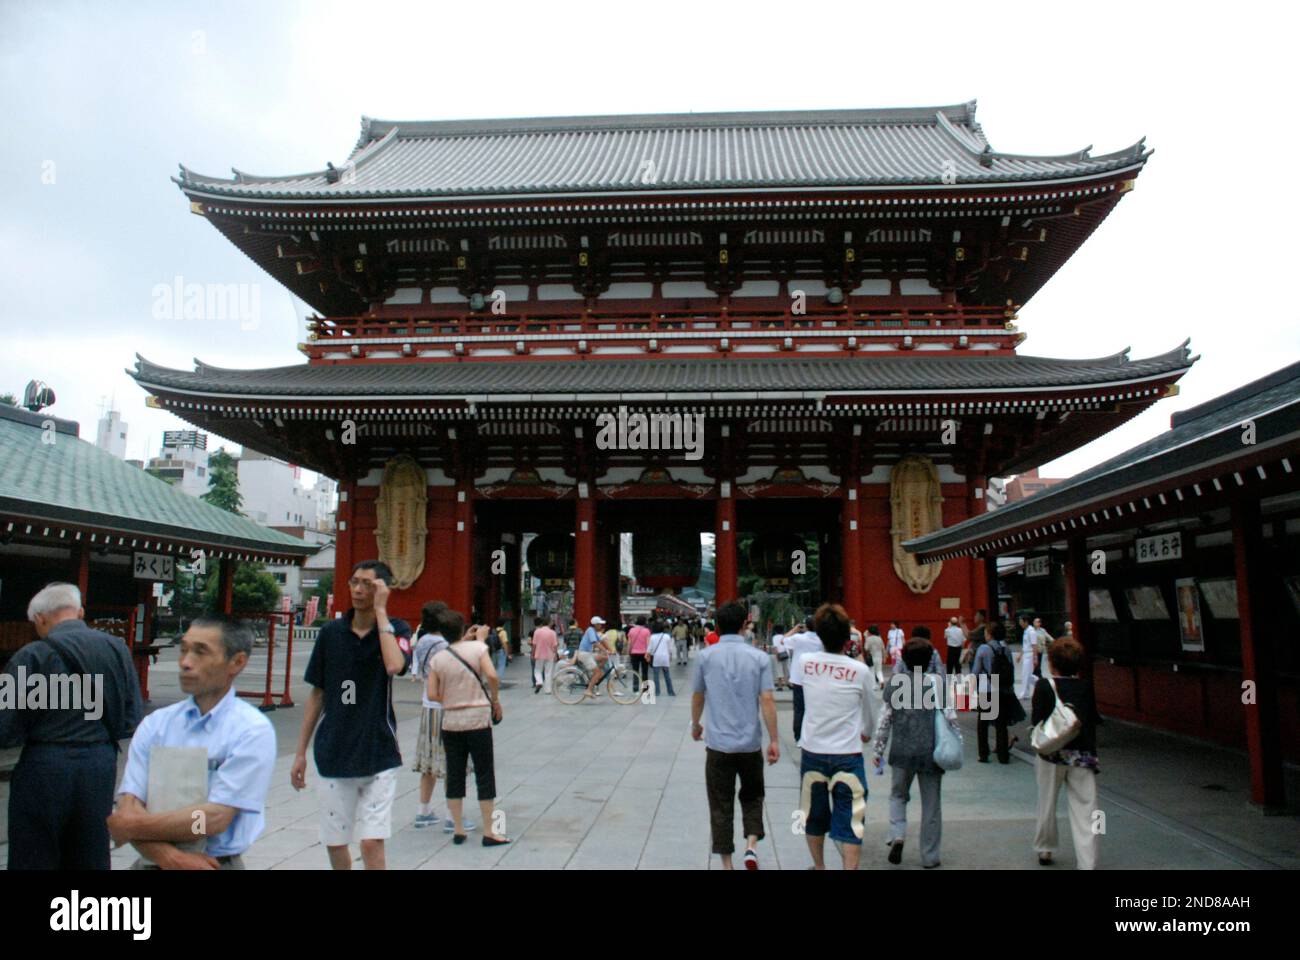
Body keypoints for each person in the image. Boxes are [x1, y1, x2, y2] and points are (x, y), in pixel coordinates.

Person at [109, 616, 275, 870]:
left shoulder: (251, 730)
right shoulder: (157, 725)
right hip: (151, 861)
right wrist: (170, 857)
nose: (186, 663)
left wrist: (130, 827)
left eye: (200, 652)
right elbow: (129, 802)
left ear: (237, 662)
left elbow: (213, 820)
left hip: (212, 863)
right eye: (183, 650)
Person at [2, 583, 142, 870]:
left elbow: (5, 726)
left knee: (35, 851)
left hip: (45, 765)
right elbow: (131, 717)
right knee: (90, 850)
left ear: (41, 618)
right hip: (100, 764)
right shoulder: (117, 649)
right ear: (80, 612)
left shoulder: (31, 656)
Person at [291, 560, 412, 870]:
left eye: (368, 585)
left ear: (383, 590)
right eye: (354, 582)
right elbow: (317, 694)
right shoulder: (331, 633)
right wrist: (300, 752)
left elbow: (394, 666)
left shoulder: (396, 629)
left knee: (371, 840)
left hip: (378, 750)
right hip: (333, 749)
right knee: (335, 842)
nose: (358, 590)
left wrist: (381, 612)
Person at [691, 600, 779, 870]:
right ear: (745, 624)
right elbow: (767, 700)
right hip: (750, 744)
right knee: (753, 795)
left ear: (717, 626)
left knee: (720, 804)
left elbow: (698, 695)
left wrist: (696, 724)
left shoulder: (705, 657)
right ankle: (751, 846)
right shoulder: (760, 658)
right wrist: (774, 739)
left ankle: (727, 864)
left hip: (718, 745)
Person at [798, 604, 875, 870]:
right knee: (853, 818)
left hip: (813, 751)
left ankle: (819, 866)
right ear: (847, 638)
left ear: (819, 635)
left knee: (812, 816)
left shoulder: (806, 663)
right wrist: (866, 732)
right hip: (848, 754)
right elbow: (869, 711)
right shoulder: (860, 671)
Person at [873, 637, 959, 869]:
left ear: (905, 660)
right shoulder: (937, 683)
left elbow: (885, 719)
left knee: (898, 795)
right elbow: (950, 717)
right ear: (930, 659)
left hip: (901, 750)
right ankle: (930, 856)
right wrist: (956, 742)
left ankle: (898, 834)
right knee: (932, 804)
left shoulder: (896, 682)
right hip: (931, 751)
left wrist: (878, 749)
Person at [426, 612, 510, 847]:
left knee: (455, 772)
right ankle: (490, 831)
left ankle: (459, 830)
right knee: (484, 773)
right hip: (478, 719)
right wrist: (495, 699)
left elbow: (432, 694)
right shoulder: (477, 649)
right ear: (463, 628)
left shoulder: (439, 658)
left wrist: (452, 698)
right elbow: (491, 675)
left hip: (451, 721)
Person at [1031, 637, 1100, 869]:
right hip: (1082, 754)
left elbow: (1036, 721)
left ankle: (1045, 848)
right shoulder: (1086, 686)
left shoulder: (1043, 686)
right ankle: (1087, 860)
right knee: (1088, 809)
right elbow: (1091, 720)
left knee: (1046, 802)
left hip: (1051, 754)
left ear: (1052, 663)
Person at [410, 601, 469, 832]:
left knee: (429, 762)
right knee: (451, 761)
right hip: (446, 706)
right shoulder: (443, 645)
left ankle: (423, 810)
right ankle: (452, 816)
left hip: (428, 705)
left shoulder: (423, 641)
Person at [972, 622, 1025, 763]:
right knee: (1001, 724)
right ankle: (1003, 755)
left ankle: (983, 754)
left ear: (989, 633)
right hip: (1002, 688)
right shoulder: (1005, 648)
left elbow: (976, 671)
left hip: (987, 688)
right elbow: (1011, 668)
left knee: (983, 723)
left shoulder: (983, 649)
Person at [786, 621, 824, 744]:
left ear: (806, 626)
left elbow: (784, 640)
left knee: (799, 709)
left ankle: (798, 736)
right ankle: (813, 735)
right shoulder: (821, 640)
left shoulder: (798, 638)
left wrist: (795, 629)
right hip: (815, 677)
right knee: (814, 708)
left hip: (799, 678)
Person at [569, 615, 610, 698]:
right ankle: (589, 690)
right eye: (599, 624)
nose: (601, 626)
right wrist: (604, 650)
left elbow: (601, 641)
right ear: (595, 624)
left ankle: (593, 674)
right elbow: (595, 642)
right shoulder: (590, 630)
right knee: (598, 672)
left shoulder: (594, 632)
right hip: (585, 655)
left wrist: (611, 650)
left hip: (589, 654)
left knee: (604, 657)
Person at [646, 619, 676, 697]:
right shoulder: (666, 636)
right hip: (665, 658)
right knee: (667, 675)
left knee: (656, 676)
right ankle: (670, 691)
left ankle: (657, 692)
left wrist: (647, 655)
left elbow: (649, 649)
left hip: (656, 658)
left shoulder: (652, 637)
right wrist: (670, 656)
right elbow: (670, 648)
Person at [531, 616, 559, 695]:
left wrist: (533, 654)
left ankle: (539, 682)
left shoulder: (537, 631)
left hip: (539, 654)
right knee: (548, 672)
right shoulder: (552, 632)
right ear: (549, 623)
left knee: (537, 670)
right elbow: (555, 645)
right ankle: (548, 690)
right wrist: (556, 655)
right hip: (550, 654)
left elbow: (534, 645)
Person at [1017, 614, 1039, 699]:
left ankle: (1025, 693)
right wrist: (1020, 655)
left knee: (1026, 674)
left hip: (1030, 655)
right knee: (1027, 675)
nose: (1020, 623)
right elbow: (1025, 645)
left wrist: (1035, 658)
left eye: (1021, 621)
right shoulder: (1026, 631)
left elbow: (1034, 645)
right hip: (1026, 654)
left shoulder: (1031, 631)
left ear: (1025, 622)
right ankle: (1040, 682)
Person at [627, 616, 651, 690]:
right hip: (644, 653)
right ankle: (645, 688)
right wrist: (648, 654)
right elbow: (648, 644)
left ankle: (635, 687)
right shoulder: (647, 631)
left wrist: (629, 652)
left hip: (634, 653)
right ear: (644, 622)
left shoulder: (631, 630)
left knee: (635, 671)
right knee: (645, 671)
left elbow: (629, 643)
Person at [864, 624, 885, 689]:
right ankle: (881, 680)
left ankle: (874, 686)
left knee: (872, 671)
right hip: (879, 656)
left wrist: (865, 637)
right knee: (879, 670)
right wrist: (884, 657)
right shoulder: (879, 638)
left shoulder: (869, 639)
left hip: (872, 656)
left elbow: (866, 648)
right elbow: (883, 648)